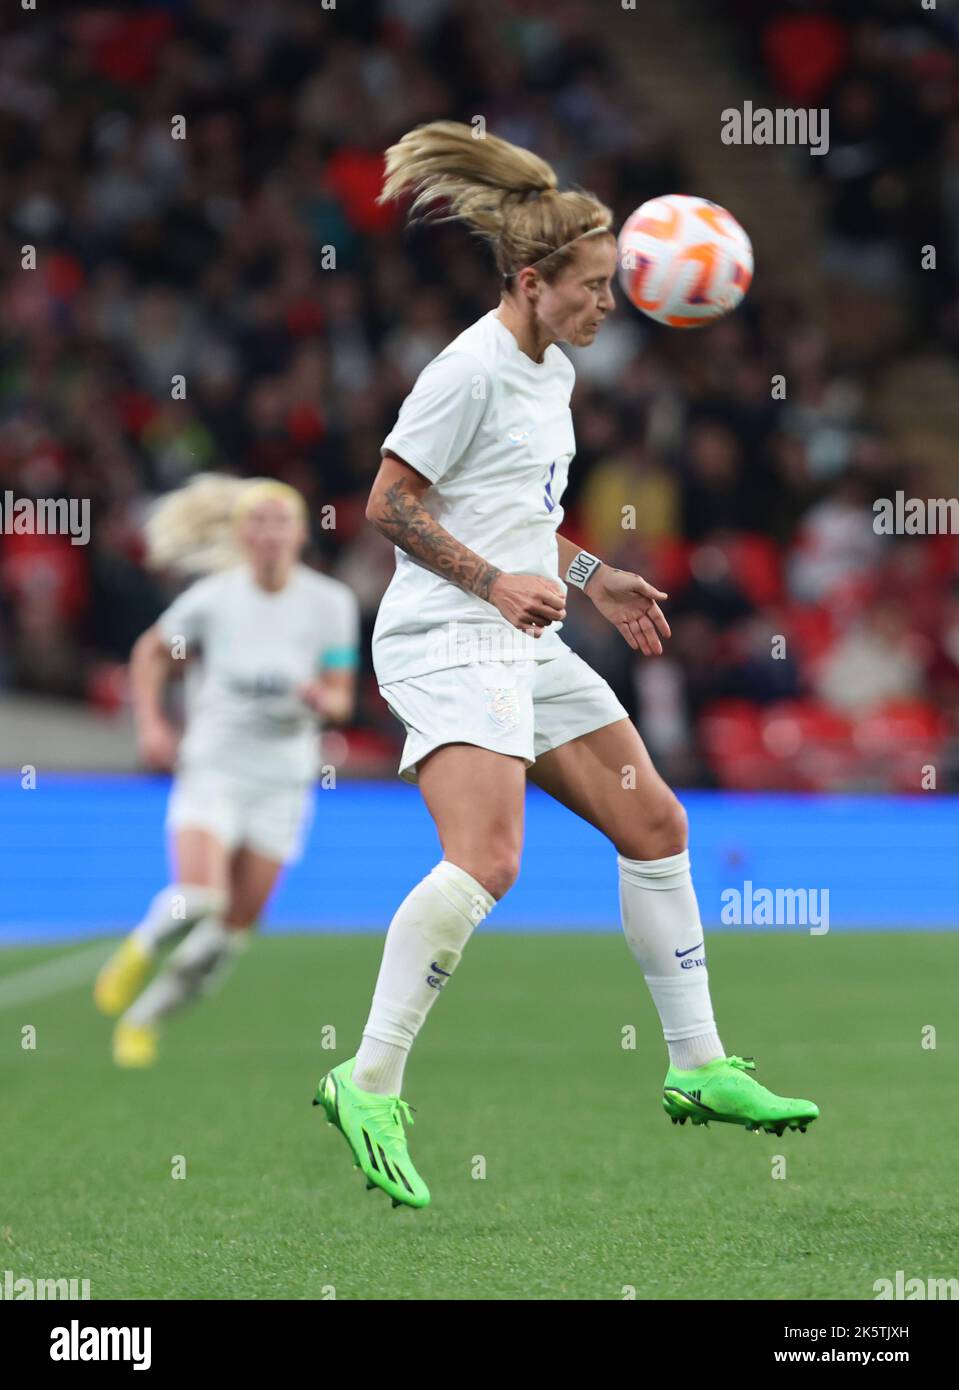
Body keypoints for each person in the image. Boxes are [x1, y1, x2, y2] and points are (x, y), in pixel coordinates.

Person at [313, 122, 818, 1210]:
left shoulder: (552, 369)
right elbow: (389, 505)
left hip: (520, 635)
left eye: (613, 286)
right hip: (444, 638)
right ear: (532, 283)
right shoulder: (468, 373)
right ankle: (366, 1079)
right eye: (591, 288)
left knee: (655, 825)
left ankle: (695, 1064)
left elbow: (515, 515)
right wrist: (494, 585)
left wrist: (591, 574)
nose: (608, 306)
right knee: (489, 858)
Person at [95, 474, 359, 1067]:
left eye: (280, 522)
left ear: (298, 533)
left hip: (285, 778)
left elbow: (344, 697)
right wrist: (153, 726)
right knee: (201, 897)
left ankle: (144, 1019)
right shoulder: (213, 599)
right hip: (215, 764)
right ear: (241, 535)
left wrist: (323, 699)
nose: (268, 535)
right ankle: (143, 944)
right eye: (257, 523)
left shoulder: (330, 604)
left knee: (230, 933)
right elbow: (150, 652)